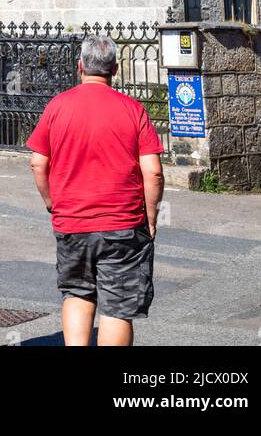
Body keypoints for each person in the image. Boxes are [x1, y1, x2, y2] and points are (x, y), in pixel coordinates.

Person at [27, 32, 164, 348]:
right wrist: (151, 217)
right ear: (115, 69)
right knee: (117, 307)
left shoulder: (58, 107)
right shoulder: (133, 110)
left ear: (80, 67)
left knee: (77, 294)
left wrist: (52, 201)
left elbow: (37, 163)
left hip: (72, 222)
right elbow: (153, 172)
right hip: (123, 224)